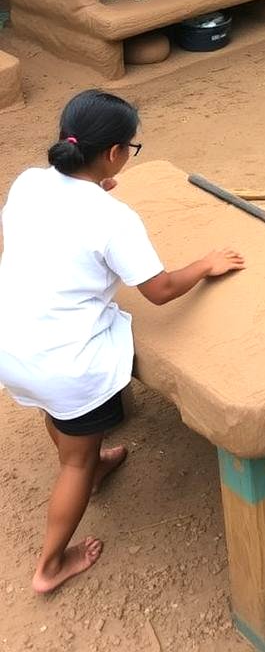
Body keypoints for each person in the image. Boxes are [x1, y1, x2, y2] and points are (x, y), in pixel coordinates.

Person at [0, 89, 245, 593]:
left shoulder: (28, 183)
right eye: (131, 148)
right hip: (65, 362)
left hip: (16, 344)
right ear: (112, 154)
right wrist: (205, 263)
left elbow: (59, 221)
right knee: (75, 460)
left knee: (62, 415)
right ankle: (50, 563)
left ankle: (89, 457)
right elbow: (159, 291)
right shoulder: (114, 219)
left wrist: (94, 190)